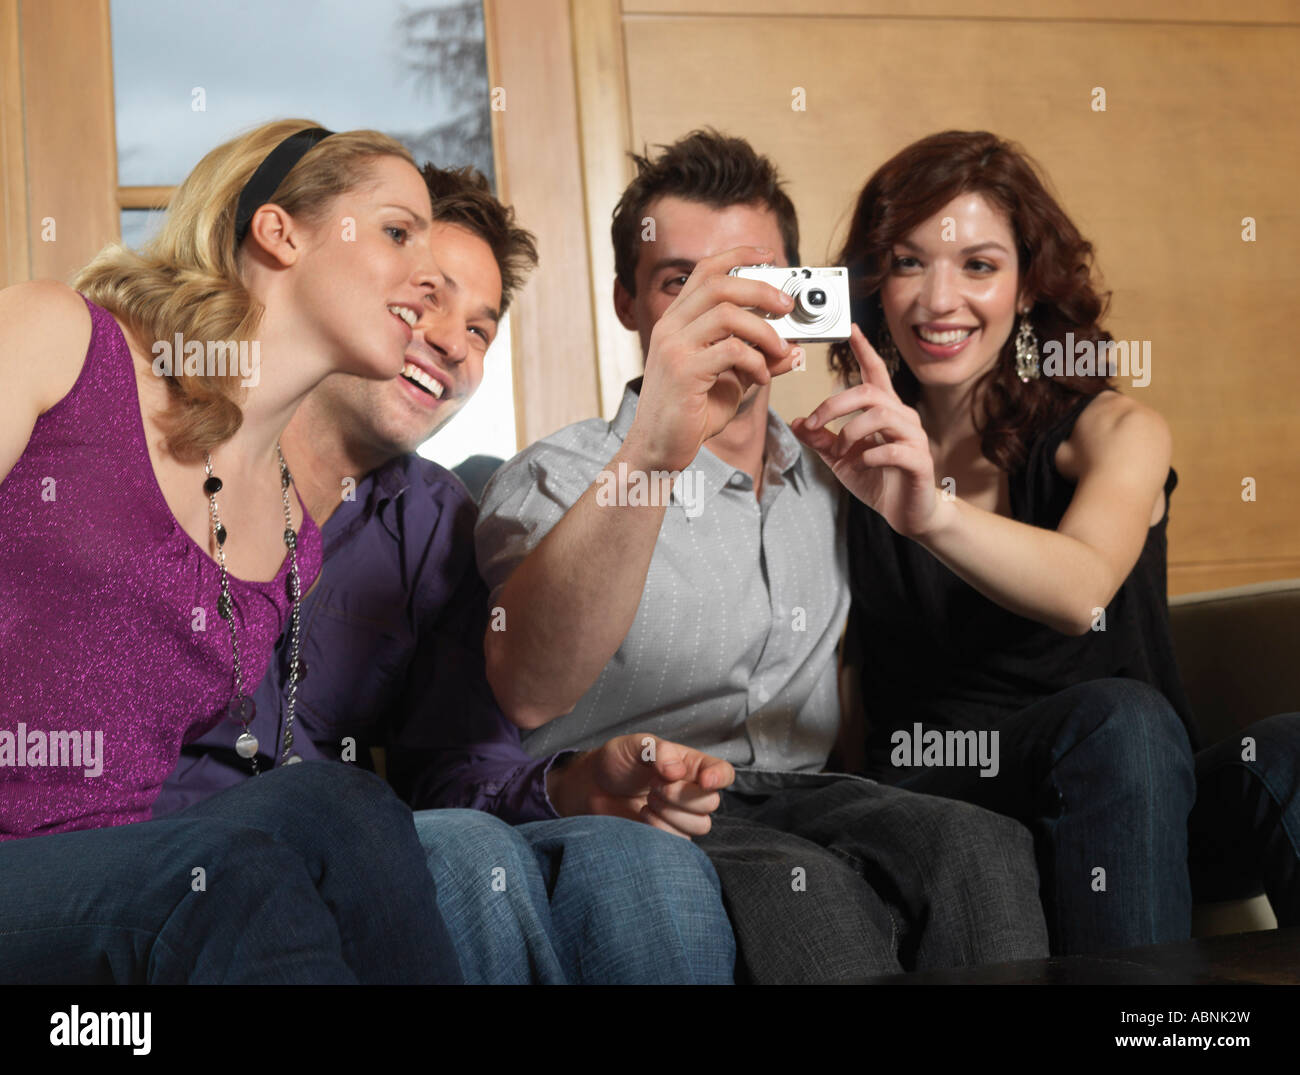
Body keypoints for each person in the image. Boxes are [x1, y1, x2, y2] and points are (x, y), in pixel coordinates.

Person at [433, 129, 1050, 983]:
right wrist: (656, 451)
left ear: (797, 297)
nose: (722, 311)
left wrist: (921, 499)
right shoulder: (559, 475)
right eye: (680, 284)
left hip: (807, 793)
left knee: (982, 846)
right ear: (627, 304)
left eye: (752, 282)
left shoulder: (837, 477)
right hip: (642, 803)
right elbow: (529, 685)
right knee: (808, 892)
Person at [154, 163, 737, 985]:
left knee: (631, 858)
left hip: (331, 851)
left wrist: (575, 785)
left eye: (481, 330)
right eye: (429, 296)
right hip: (158, 854)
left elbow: (458, 764)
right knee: (457, 852)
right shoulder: (160, 439)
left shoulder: (435, 523)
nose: (453, 342)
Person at [0, 119, 459, 983]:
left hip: (107, 875)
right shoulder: (61, 340)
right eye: (399, 231)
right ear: (280, 231)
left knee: (343, 804)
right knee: (230, 882)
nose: (433, 277)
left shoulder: (291, 533)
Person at [795, 129, 1198, 954]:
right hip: (935, 788)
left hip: (1129, 788)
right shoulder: (846, 456)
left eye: (978, 265)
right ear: (875, 286)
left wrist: (929, 513)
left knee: (1273, 751)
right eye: (908, 263)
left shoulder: (1118, 430)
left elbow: (1082, 588)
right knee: (1122, 724)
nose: (939, 299)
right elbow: (846, 675)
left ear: (1026, 288)